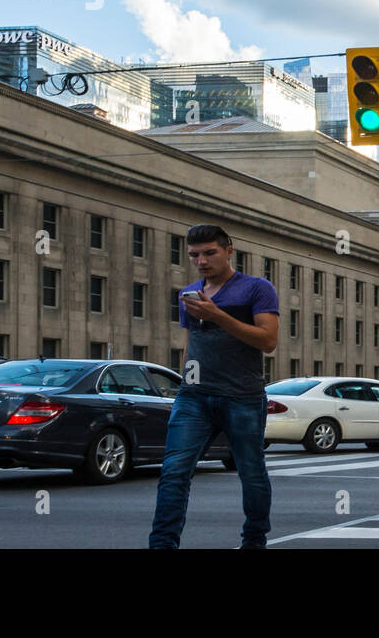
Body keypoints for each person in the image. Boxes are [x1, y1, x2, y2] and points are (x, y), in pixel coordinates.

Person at [149, 225, 280, 549]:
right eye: (194, 254)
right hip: (194, 396)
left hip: (243, 397)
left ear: (229, 251)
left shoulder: (256, 288)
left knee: (250, 472)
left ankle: (254, 540)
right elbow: (193, 341)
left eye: (210, 253)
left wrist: (218, 314)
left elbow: (268, 341)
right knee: (174, 471)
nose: (201, 260)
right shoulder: (190, 292)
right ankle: (162, 544)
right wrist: (187, 376)